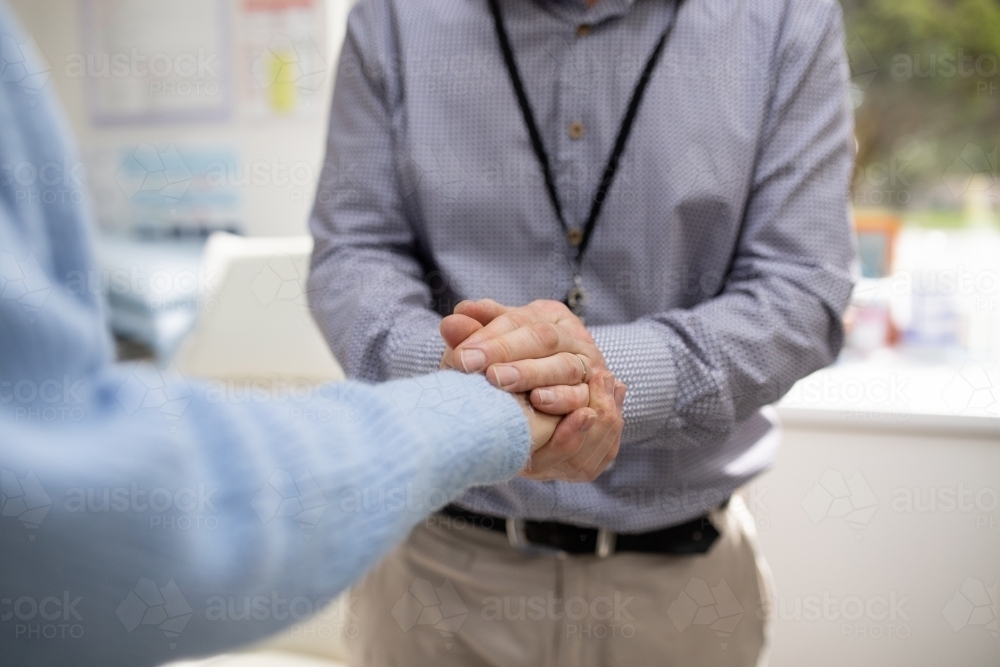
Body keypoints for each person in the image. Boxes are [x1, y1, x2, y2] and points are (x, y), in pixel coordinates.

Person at [0, 3, 624, 665]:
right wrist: (493, 394)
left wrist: (544, 382)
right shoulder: (394, 20)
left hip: (672, 569)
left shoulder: (746, 30)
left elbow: (754, 308)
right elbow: (83, 516)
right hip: (442, 563)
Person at [308, 0, 856, 663]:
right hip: (436, 587)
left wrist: (593, 376)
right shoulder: (396, 14)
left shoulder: (785, 17)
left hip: (681, 596)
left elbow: (801, 289)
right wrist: (471, 378)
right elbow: (354, 255)